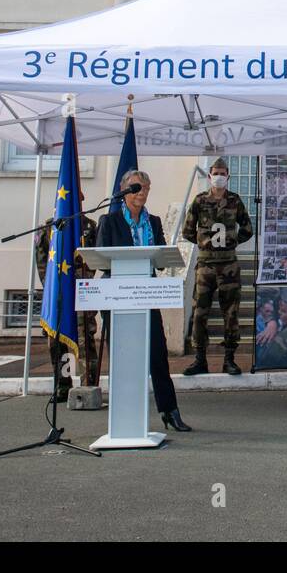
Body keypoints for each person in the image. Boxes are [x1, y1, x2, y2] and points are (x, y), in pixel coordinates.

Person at [96, 170, 189, 431]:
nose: (142, 193)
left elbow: (158, 258)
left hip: (145, 293)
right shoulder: (110, 221)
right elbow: (102, 259)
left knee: (157, 353)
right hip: (117, 294)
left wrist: (161, 256)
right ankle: (122, 412)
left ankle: (169, 410)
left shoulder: (155, 222)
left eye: (147, 189)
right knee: (123, 354)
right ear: (125, 190)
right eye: (137, 188)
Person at [182, 157, 253, 376]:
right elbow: (187, 230)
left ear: (228, 176)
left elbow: (248, 228)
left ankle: (229, 359)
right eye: (216, 172)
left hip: (228, 265)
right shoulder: (200, 200)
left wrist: (232, 241)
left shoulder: (235, 200)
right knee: (200, 312)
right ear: (210, 175)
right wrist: (205, 242)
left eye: (223, 172)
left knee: (230, 313)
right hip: (205, 265)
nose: (219, 176)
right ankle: (199, 359)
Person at [34, 196, 99, 402]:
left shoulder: (89, 227)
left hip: (82, 293)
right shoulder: (47, 229)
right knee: (58, 342)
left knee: (85, 339)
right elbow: (42, 262)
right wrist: (53, 288)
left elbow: (94, 259)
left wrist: (82, 283)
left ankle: (89, 383)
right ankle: (63, 385)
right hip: (58, 296)